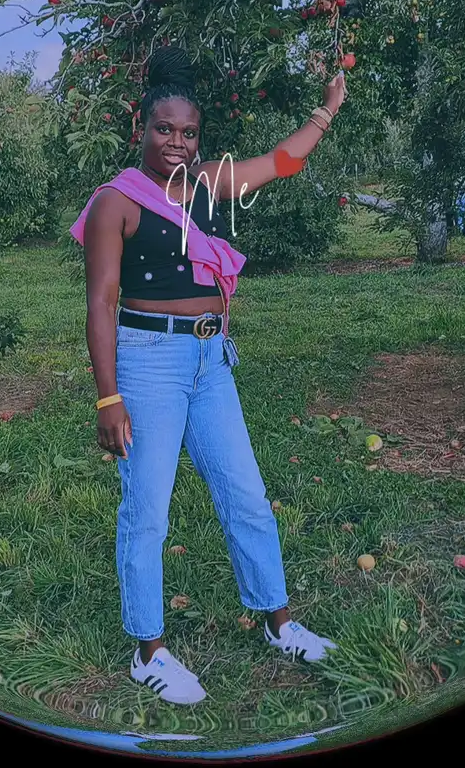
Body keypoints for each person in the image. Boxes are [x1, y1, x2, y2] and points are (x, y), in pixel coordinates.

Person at [70, 45, 347, 706]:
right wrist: (108, 398)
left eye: (188, 132)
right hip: (148, 364)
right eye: (164, 128)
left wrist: (328, 110)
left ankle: (279, 622)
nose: (176, 141)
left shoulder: (204, 184)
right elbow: (101, 304)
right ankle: (149, 652)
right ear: (140, 126)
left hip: (211, 361)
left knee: (246, 494)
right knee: (147, 511)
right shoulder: (116, 202)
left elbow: (280, 163)